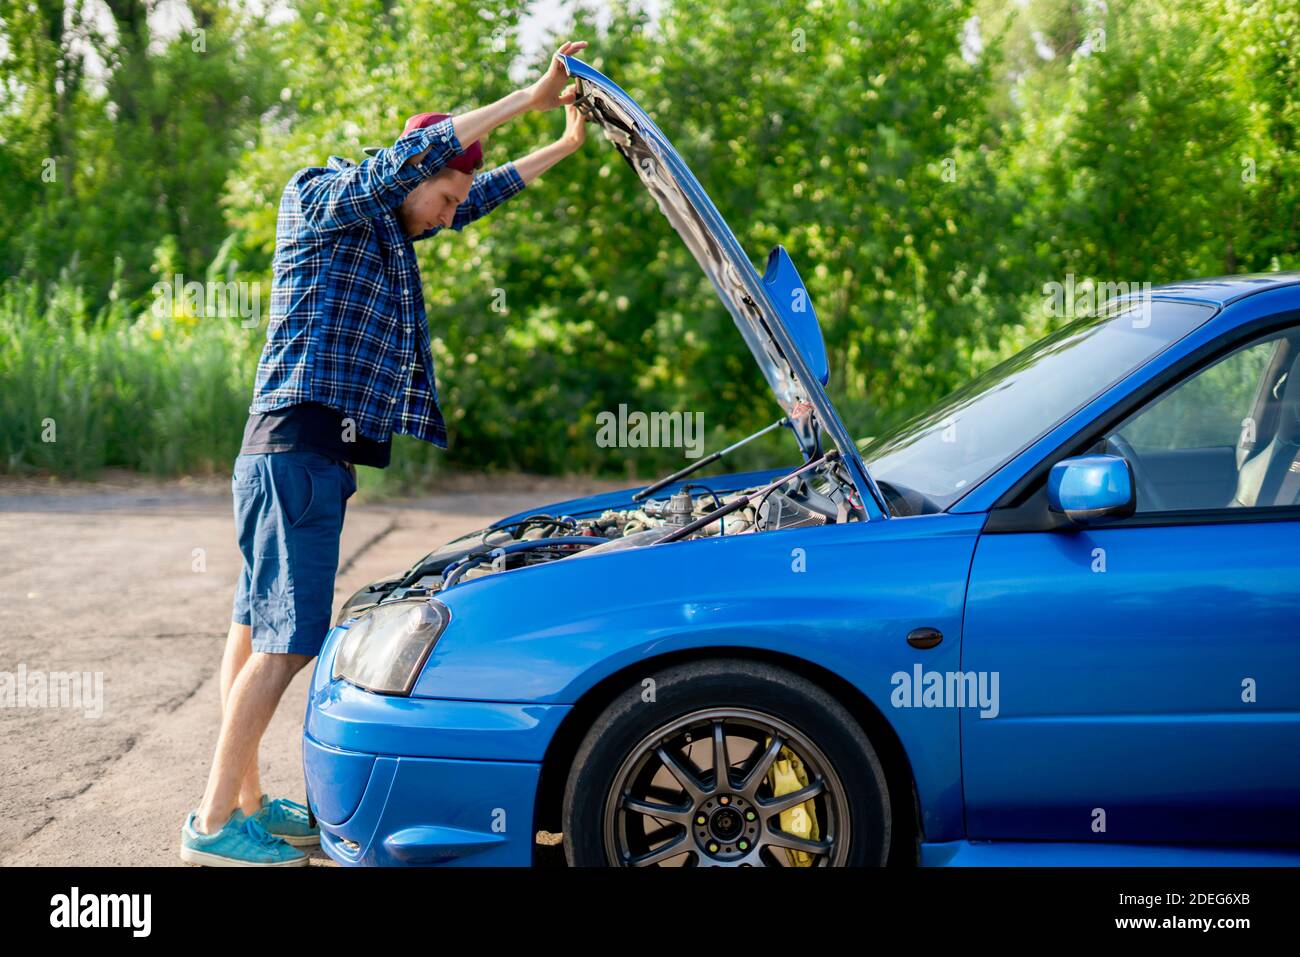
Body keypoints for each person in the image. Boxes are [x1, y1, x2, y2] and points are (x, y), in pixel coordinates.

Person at [179, 41, 590, 866]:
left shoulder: (388, 228)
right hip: (296, 454)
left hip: (292, 456)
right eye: (441, 196)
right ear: (411, 172)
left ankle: (246, 804)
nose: (446, 215)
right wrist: (529, 96)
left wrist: (566, 145)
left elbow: (477, 191)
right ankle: (215, 827)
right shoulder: (329, 198)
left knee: (253, 630)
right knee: (291, 640)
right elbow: (412, 163)